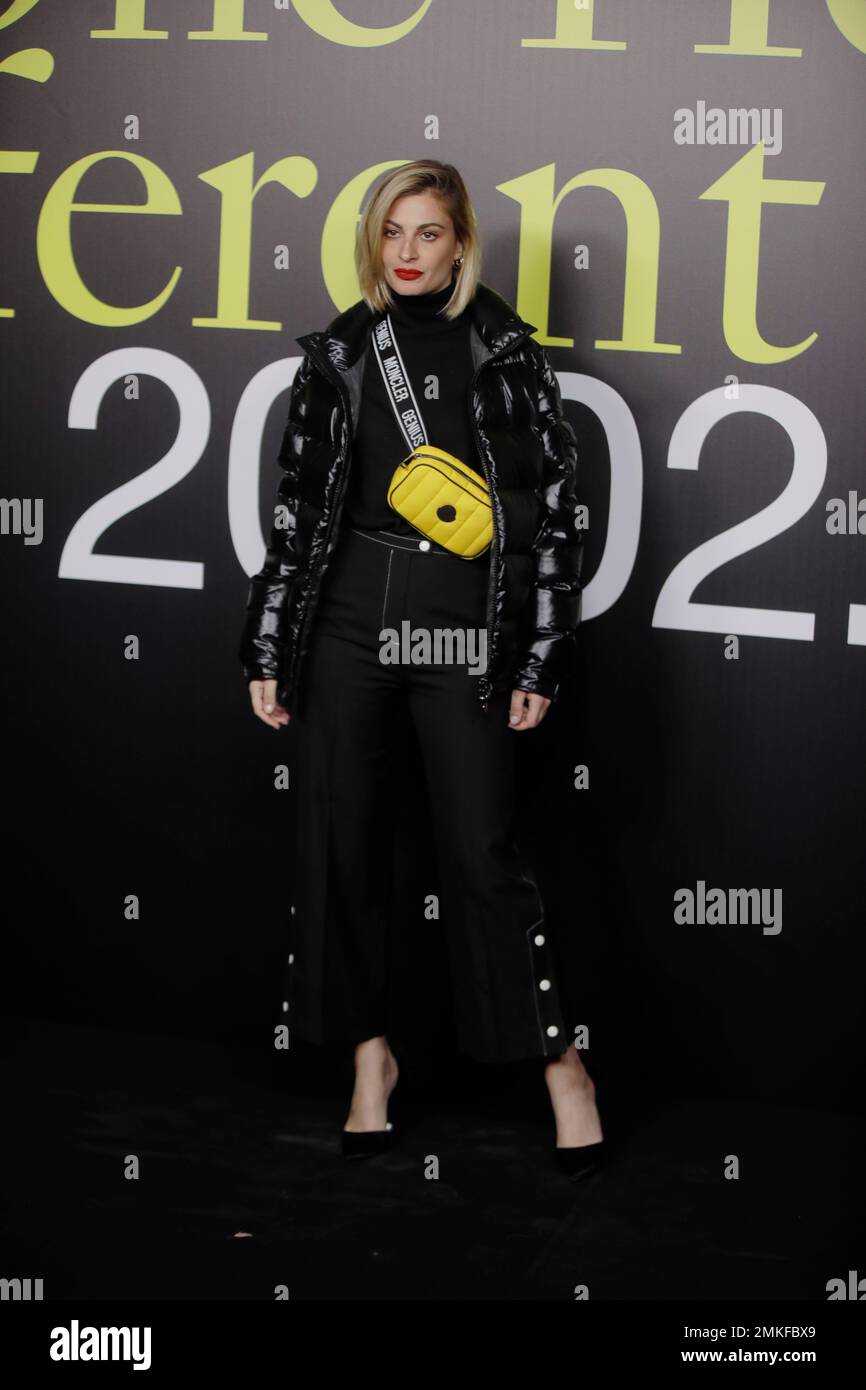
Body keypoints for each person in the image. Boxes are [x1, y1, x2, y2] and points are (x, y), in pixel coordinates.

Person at [239, 160, 604, 1178]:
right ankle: (370, 1064)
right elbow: (297, 513)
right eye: (391, 232)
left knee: (481, 851)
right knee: (341, 845)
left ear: (460, 242)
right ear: (374, 241)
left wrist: (539, 651)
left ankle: (562, 1068)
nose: (406, 253)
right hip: (350, 615)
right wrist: (270, 637)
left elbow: (547, 524)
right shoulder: (341, 356)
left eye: (428, 233)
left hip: (458, 621)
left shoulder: (507, 354)